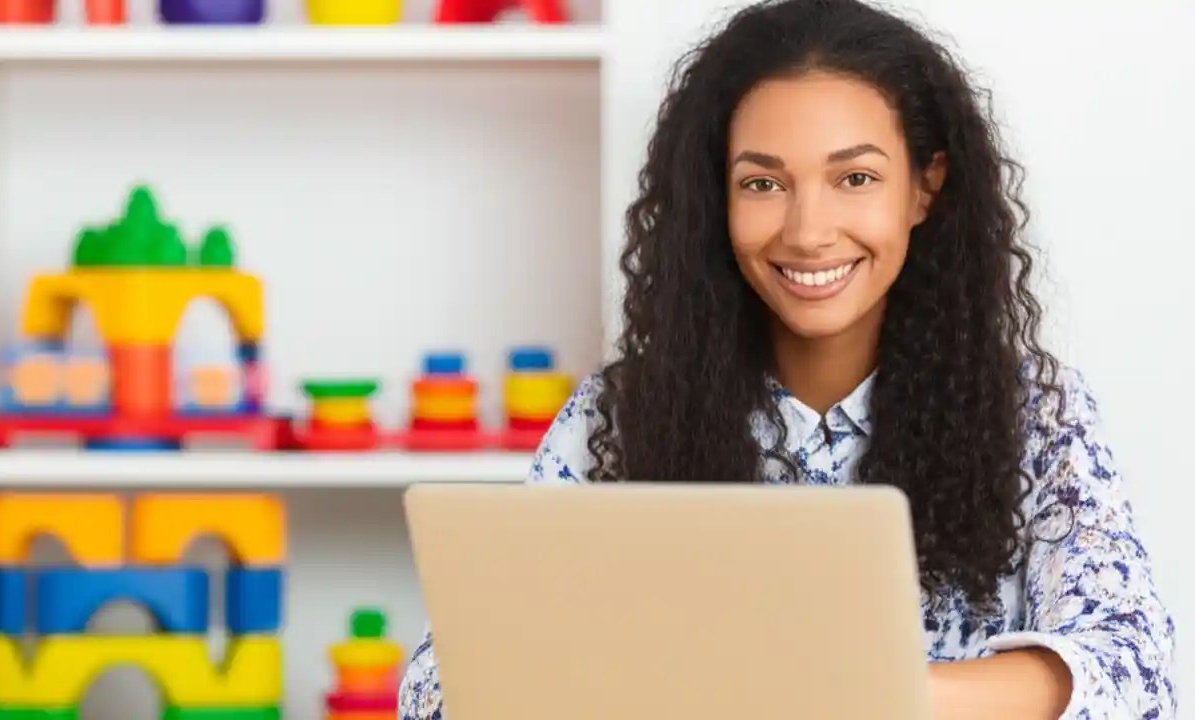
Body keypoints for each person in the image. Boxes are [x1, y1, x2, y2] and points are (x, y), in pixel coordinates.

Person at [398, 0, 1177, 717]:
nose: (808, 231)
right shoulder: (619, 415)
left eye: (856, 178)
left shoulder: (1036, 417)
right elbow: (436, 688)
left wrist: (861, 699)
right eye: (764, 182)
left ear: (924, 187)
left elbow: (1134, 671)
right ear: (718, 197)